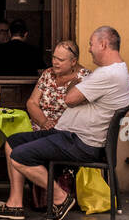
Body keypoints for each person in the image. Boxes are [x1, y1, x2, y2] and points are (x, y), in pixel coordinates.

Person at [0, 25, 129, 220]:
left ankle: (60, 197)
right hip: (67, 133)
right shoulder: (114, 71)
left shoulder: (106, 74)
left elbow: (70, 99)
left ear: (103, 44)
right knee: (13, 141)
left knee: (18, 156)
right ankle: (15, 204)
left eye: (91, 44)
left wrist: (75, 86)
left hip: (79, 141)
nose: (89, 49)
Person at [25, 39, 87, 208]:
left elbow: (81, 111)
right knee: (15, 145)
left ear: (73, 62)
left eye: (60, 60)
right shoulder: (48, 74)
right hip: (41, 126)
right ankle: (28, 200)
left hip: (66, 131)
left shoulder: (85, 78)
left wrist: (56, 125)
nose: (54, 62)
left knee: (31, 148)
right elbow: (31, 103)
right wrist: (44, 122)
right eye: (53, 58)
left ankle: (55, 196)